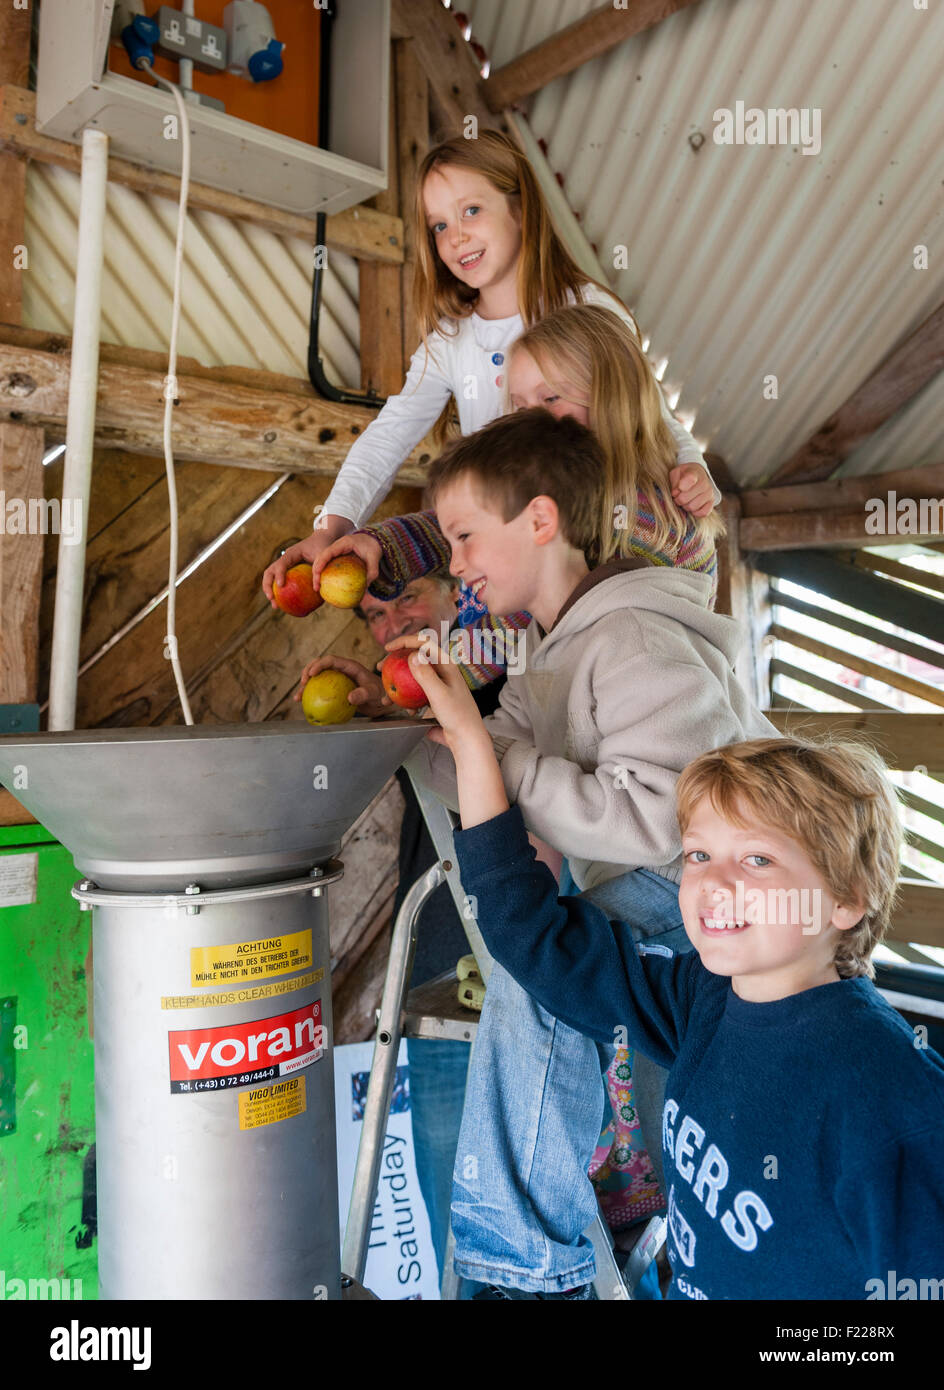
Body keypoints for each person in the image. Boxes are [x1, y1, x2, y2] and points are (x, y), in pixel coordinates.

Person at [386, 407, 777, 1298]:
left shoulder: (634, 637)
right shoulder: (549, 651)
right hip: (661, 894)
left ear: (540, 519)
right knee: (542, 958)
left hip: (725, 899)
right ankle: (526, 1253)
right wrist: (417, 733)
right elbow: (491, 770)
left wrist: (487, 752)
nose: (457, 565)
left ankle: (523, 1266)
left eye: (464, 536)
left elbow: (657, 820)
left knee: (546, 970)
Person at [408, 709, 944, 1299]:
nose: (714, 883)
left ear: (846, 899)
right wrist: (472, 746)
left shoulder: (889, 1094)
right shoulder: (702, 1002)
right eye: (697, 855)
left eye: (758, 859)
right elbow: (536, 942)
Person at [263, 131, 721, 620]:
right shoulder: (449, 339)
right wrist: (332, 528)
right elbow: (387, 436)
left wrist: (693, 467)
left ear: (521, 210)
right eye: (438, 225)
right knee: (493, 668)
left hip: (593, 550)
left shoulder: (590, 308)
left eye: (471, 211)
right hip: (504, 562)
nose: (454, 236)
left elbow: (651, 410)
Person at [294, 571, 499, 1295]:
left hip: (521, 973)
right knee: (451, 1200)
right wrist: (381, 701)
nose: (390, 626)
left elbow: (478, 702)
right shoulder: (420, 692)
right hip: (437, 978)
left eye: (408, 601)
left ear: (462, 593)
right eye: (376, 616)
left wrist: (397, 694)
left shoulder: (516, 673)